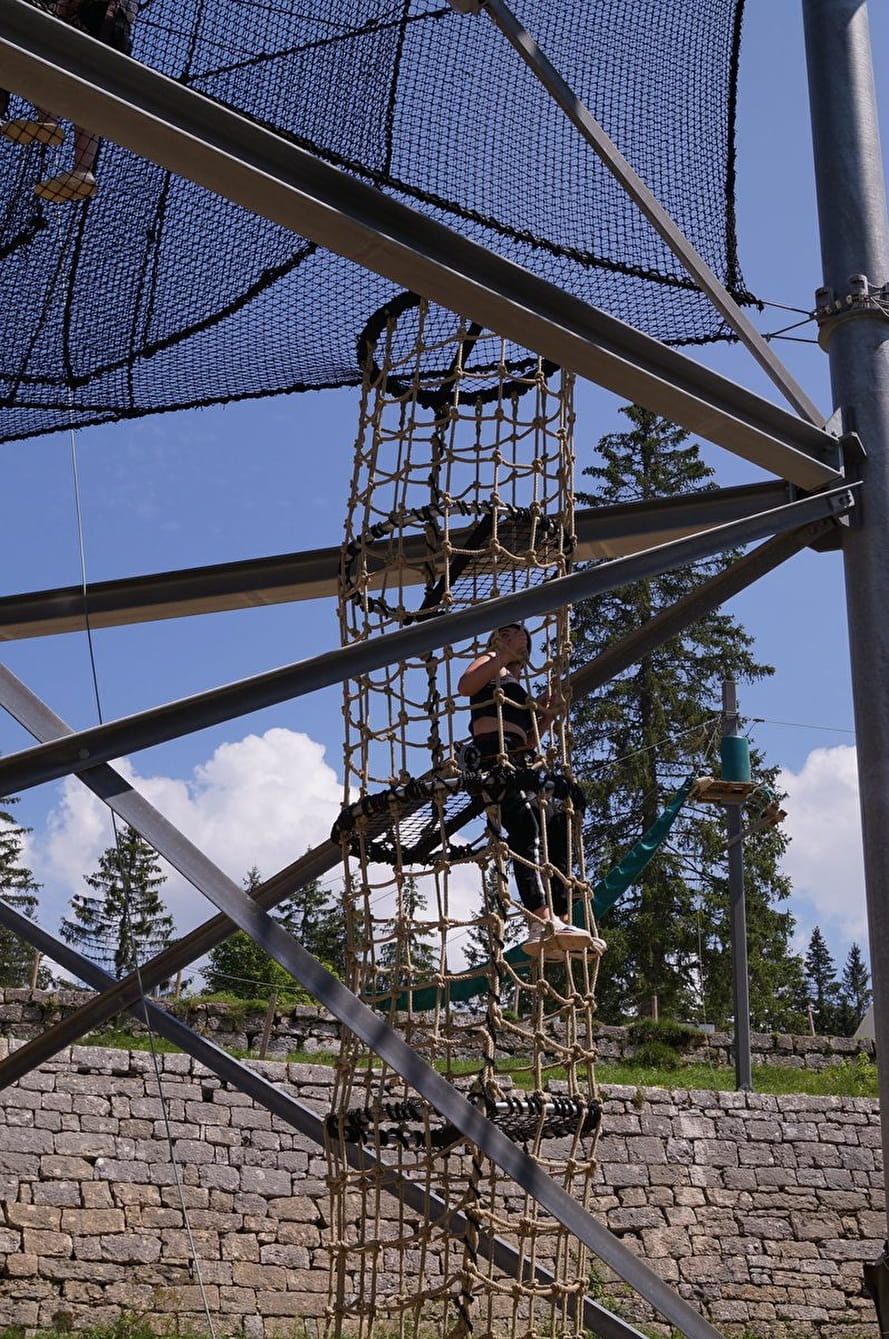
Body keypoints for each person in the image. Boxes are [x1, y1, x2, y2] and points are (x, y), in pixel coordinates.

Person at [457, 622, 599, 957]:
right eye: (505, 633)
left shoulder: (516, 684)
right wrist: (501, 652)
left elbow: (531, 739)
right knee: (526, 826)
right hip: (493, 757)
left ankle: (563, 920)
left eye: (517, 635)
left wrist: (546, 714)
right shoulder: (489, 661)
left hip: (521, 761)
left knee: (556, 826)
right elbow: (466, 686)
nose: (512, 637)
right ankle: (540, 918)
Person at [0, 0, 138, 202]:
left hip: (99, 20)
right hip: (112, 31)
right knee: (87, 96)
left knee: (40, 52)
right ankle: (82, 169)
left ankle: (49, 121)